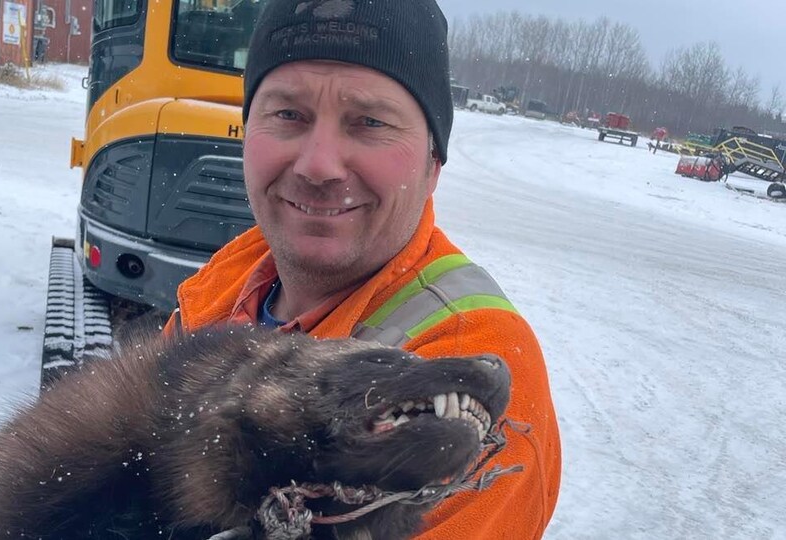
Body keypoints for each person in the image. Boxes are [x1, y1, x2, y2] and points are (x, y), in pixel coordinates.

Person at [163, 0, 562, 537]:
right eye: (288, 115)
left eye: (369, 122)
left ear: (433, 165)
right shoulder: (230, 276)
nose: (318, 165)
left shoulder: (470, 377)